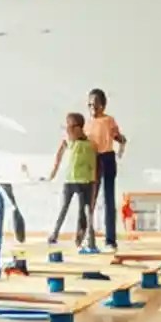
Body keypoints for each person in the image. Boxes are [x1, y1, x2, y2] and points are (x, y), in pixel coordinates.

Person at [47, 112, 98, 253]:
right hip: (69, 181)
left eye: (69, 127)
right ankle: (54, 234)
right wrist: (53, 172)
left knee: (84, 212)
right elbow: (59, 155)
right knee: (63, 208)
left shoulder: (90, 145)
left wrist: (94, 183)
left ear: (78, 128)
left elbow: (93, 166)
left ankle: (81, 239)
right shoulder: (68, 142)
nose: (67, 130)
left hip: (85, 182)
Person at [84, 88, 127, 250]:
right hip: (93, 160)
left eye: (95, 105)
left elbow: (117, 136)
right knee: (90, 201)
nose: (92, 108)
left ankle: (110, 240)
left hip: (107, 158)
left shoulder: (109, 120)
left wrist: (121, 140)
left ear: (103, 105)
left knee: (108, 200)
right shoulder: (87, 123)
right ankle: (88, 236)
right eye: (89, 105)